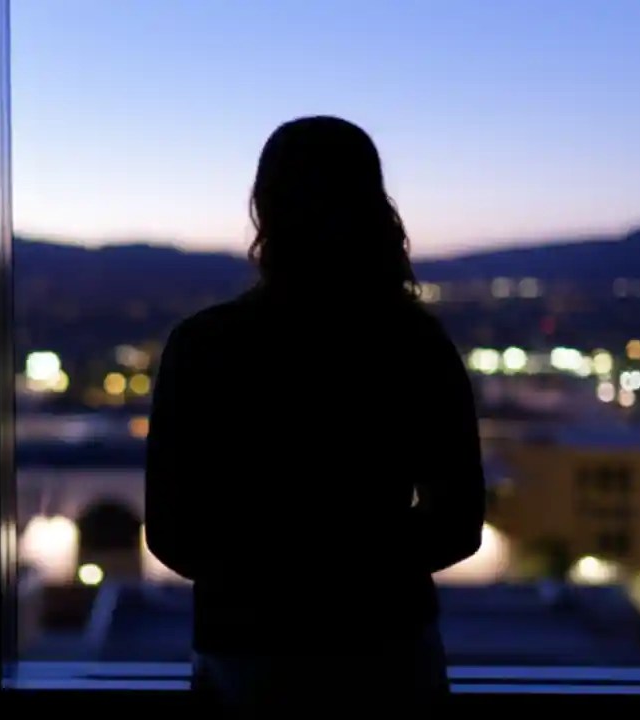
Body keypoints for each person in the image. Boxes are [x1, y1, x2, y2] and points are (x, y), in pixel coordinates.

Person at [144, 115, 486, 708]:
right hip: (387, 649)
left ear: (264, 209)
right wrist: (361, 567)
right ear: (374, 207)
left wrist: (263, 571)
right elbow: (457, 523)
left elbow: (174, 533)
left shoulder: (203, 345)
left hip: (244, 649)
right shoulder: (414, 345)